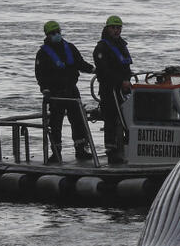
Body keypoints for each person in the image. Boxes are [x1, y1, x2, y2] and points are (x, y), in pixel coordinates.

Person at [34, 20, 95, 163]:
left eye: (58, 32)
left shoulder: (70, 48)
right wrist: (45, 89)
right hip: (55, 93)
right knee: (55, 124)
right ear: (47, 35)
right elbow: (40, 74)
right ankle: (56, 152)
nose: (56, 35)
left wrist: (93, 70)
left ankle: (80, 150)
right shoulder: (43, 53)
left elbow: (80, 63)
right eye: (53, 33)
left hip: (72, 90)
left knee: (78, 120)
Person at [93, 14, 133, 165]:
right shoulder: (101, 48)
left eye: (119, 28)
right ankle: (112, 152)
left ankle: (125, 148)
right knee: (110, 120)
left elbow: (126, 66)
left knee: (125, 118)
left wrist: (127, 80)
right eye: (113, 28)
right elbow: (104, 70)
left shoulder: (122, 45)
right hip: (109, 89)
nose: (116, 31)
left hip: (123, 89)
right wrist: (120, 81)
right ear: (107, 28)